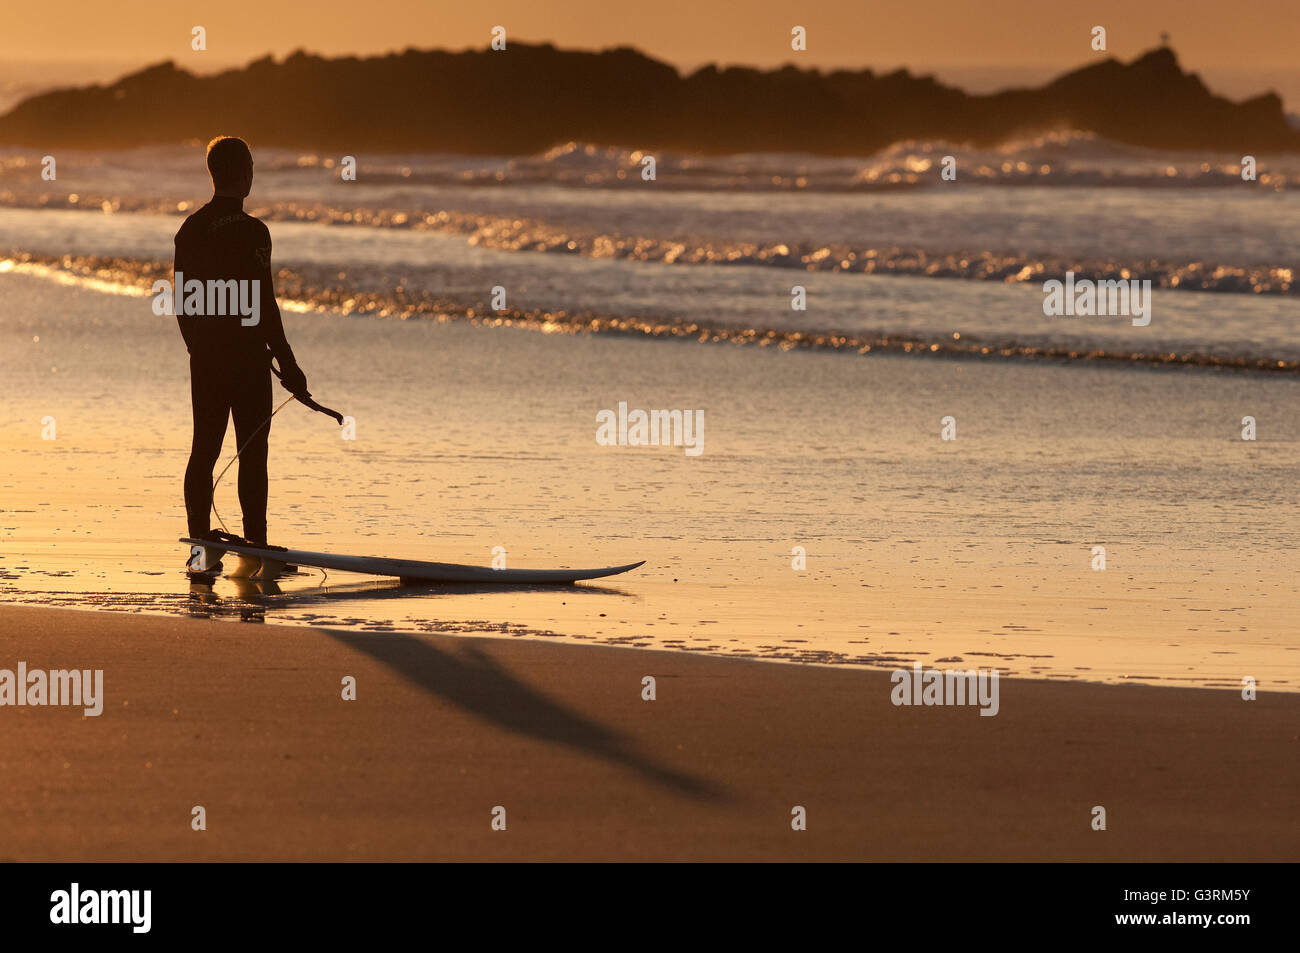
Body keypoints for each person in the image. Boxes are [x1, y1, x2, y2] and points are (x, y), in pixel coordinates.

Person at [175, 136, 308, 565]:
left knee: (204, 450)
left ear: (214, 173)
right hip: (249, 362)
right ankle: (257, 549)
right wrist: (288, 364)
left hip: (208, 360)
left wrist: (201, 350)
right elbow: (264, 303)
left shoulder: (190, 229)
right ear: (246, 172)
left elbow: (184, 304)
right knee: (253, 455)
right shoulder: (255, 232)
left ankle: (200, 547)